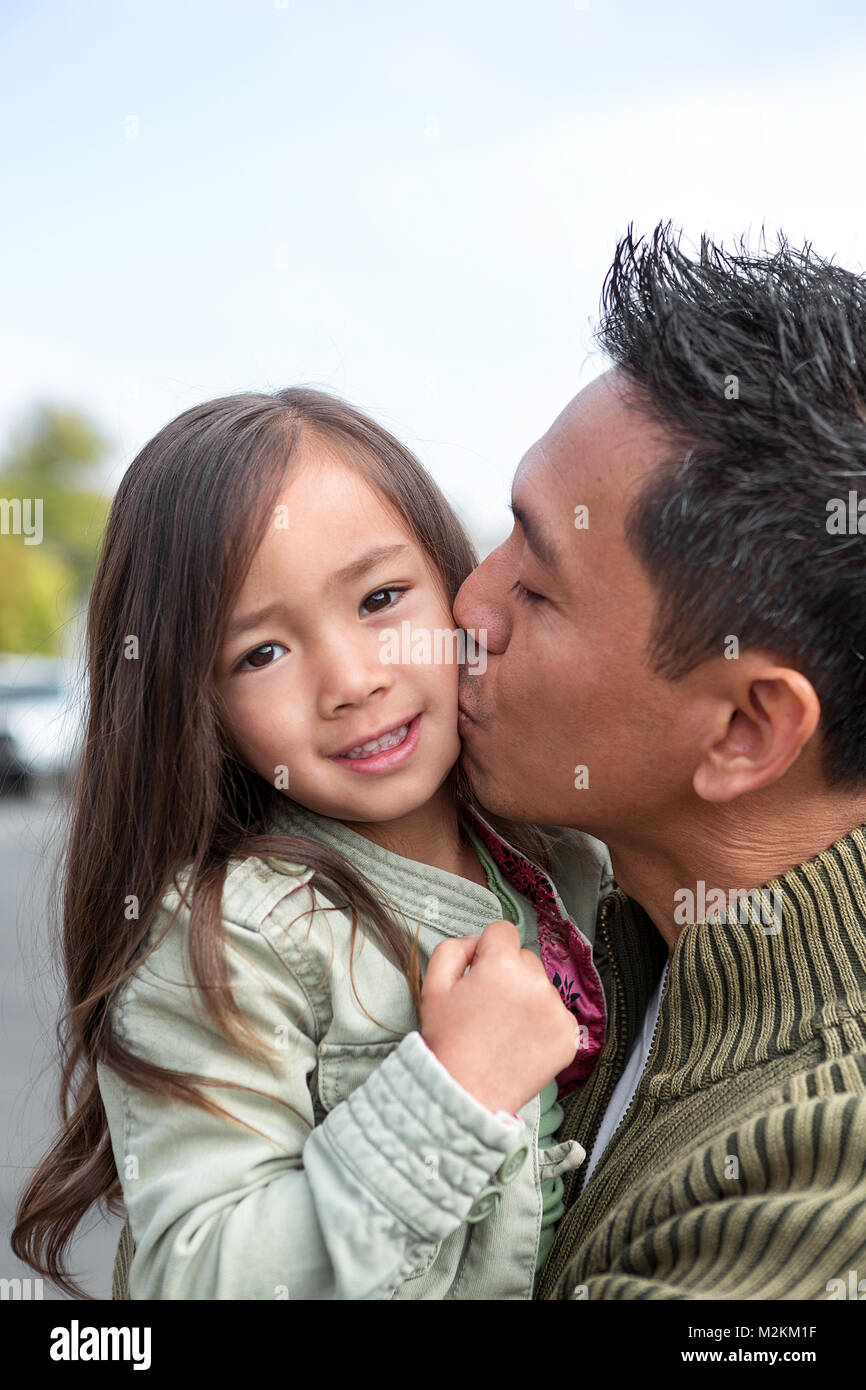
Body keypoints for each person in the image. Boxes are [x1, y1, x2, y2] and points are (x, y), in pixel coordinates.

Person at [12, 387, 613, 1300]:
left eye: (380, 599)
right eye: (260, 653)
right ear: (196, 706)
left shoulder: (567, 848)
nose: (350, 681)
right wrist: (455, 1091)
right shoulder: (225, 939)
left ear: (457, 582)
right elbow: (203, 1278)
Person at [452, 222, 866, 1300]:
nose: (465, 606)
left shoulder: (818, 1192)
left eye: (534, 590)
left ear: (742, 730)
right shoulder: (608, 919)